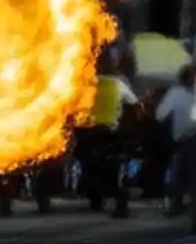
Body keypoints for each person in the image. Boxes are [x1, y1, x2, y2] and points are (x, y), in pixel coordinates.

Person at [80, 53, 141, 217]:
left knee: (88, 162)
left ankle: (97, 195)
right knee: (117, 164)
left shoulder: (86, 84)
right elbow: (135, 105)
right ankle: (117, 197)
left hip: (90, 132)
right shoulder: (118, 84)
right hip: (111, 132)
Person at [155, 63, 196, 216]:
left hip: (185, 140)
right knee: (181, 173)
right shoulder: (175, 93)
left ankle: (177, 204)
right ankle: (177, 204)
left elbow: (160, 116)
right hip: (185, 140)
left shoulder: (175, 93)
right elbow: (160, 115)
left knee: (179, 173)